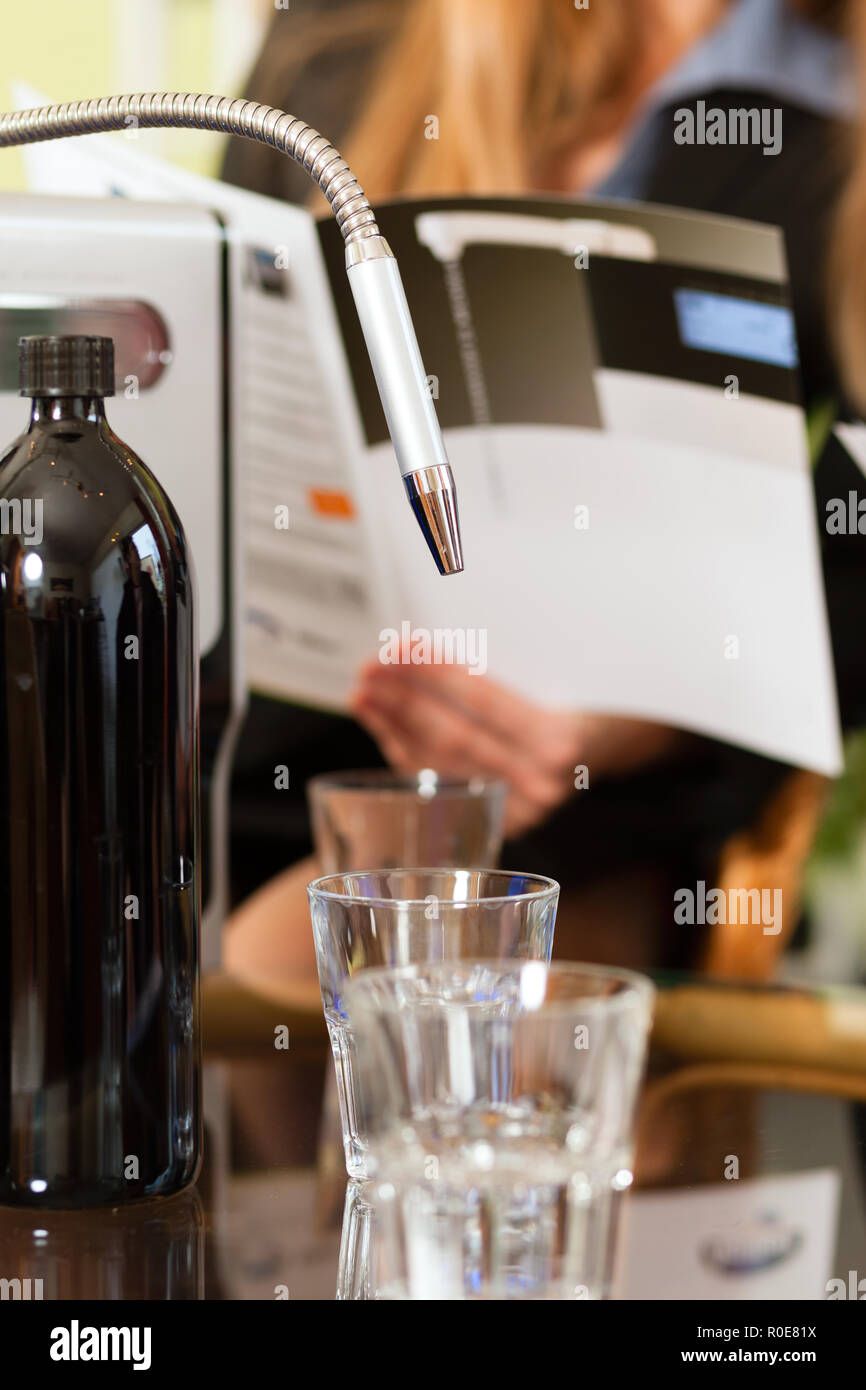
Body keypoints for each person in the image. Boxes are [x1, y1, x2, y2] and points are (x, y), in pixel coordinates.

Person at [222, 0, 866, 983]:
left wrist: (639, 714)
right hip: (272, 723)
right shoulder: (341, 42)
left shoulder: (827, 106)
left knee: (333, 968)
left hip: (596, 782)